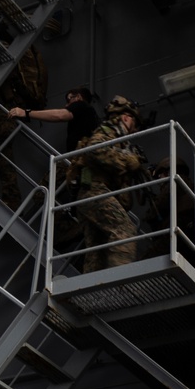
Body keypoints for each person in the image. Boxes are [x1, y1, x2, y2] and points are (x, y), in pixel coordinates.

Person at [71, 95, 147, 272]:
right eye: (134, 124)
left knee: (96, 249)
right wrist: (126, 161)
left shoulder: (118, 139)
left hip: (90, 194)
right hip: (94, 190)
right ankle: (120, 283)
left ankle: (91, 292)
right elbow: (95, 150)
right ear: (126, 117)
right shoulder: (108, 131)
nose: (134, 130)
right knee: (125, 230)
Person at [7, 83, 98, 150]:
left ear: (78, 97)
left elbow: (59, 115)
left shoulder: (81, 104)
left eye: (69, 99)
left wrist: (26, 113)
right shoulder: (88, 114)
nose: (66, 105)